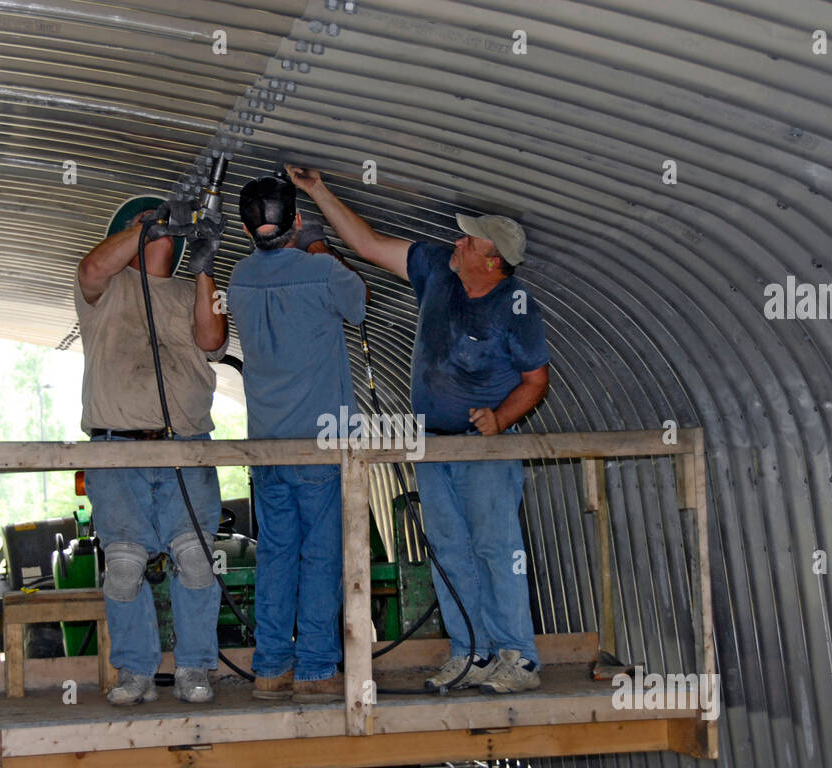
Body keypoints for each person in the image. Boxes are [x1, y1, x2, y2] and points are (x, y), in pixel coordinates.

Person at [286, 165, 550, 694]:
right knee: (450, 549)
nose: (457, 241)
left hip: (483, 452)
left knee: (496, 549)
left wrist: (499, 419)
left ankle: (518, 658)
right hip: (430, 444)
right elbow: (366, 244)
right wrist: (317, 190)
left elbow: (535, 380)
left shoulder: (514, 307)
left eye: (469, 240)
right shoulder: (437, 268)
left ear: (492, 260)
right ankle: (470, 653)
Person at [74, 197, 227, 706]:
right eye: (150, 229)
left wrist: (205, 267)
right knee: (123, 563)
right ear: (130, 232)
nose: (163, 236)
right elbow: (92, 265)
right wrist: (145, 228)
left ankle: (195, 669)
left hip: (187, 445)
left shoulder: (193, 291)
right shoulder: (104, 290)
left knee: (197, 560)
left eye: (169, 230)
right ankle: (135, 672)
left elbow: (213, 338)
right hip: (118, 451)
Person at [227, 175, 367, 703]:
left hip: (266, 446)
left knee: (277, 555)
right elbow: (360, 301)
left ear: (245, 228)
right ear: (297, 220)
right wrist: (319, 246)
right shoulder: (322, 270)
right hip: (323, 442)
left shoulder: (238, 280)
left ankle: (268, 668)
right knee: (322, 556)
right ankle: (314, 667)